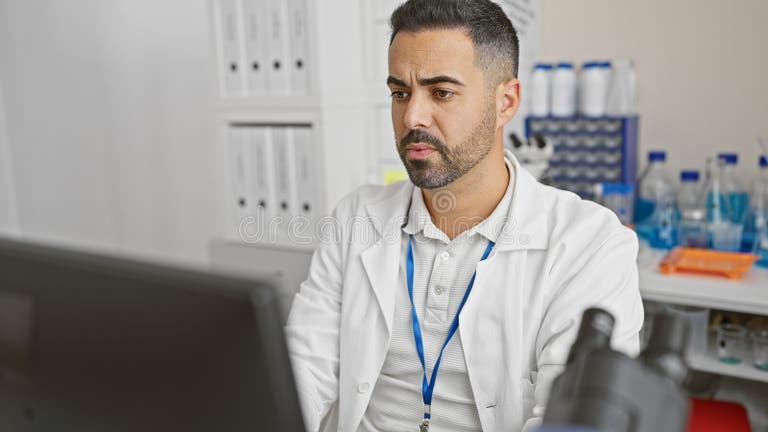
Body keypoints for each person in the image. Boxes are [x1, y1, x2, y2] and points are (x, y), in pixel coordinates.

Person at [285, 0, 644, 431]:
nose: (412, 117)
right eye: (400, 93)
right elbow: (301, 371)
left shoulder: (590, 244)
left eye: (442, 93)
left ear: (506, 102)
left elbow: (568, 419)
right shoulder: (356, 218)